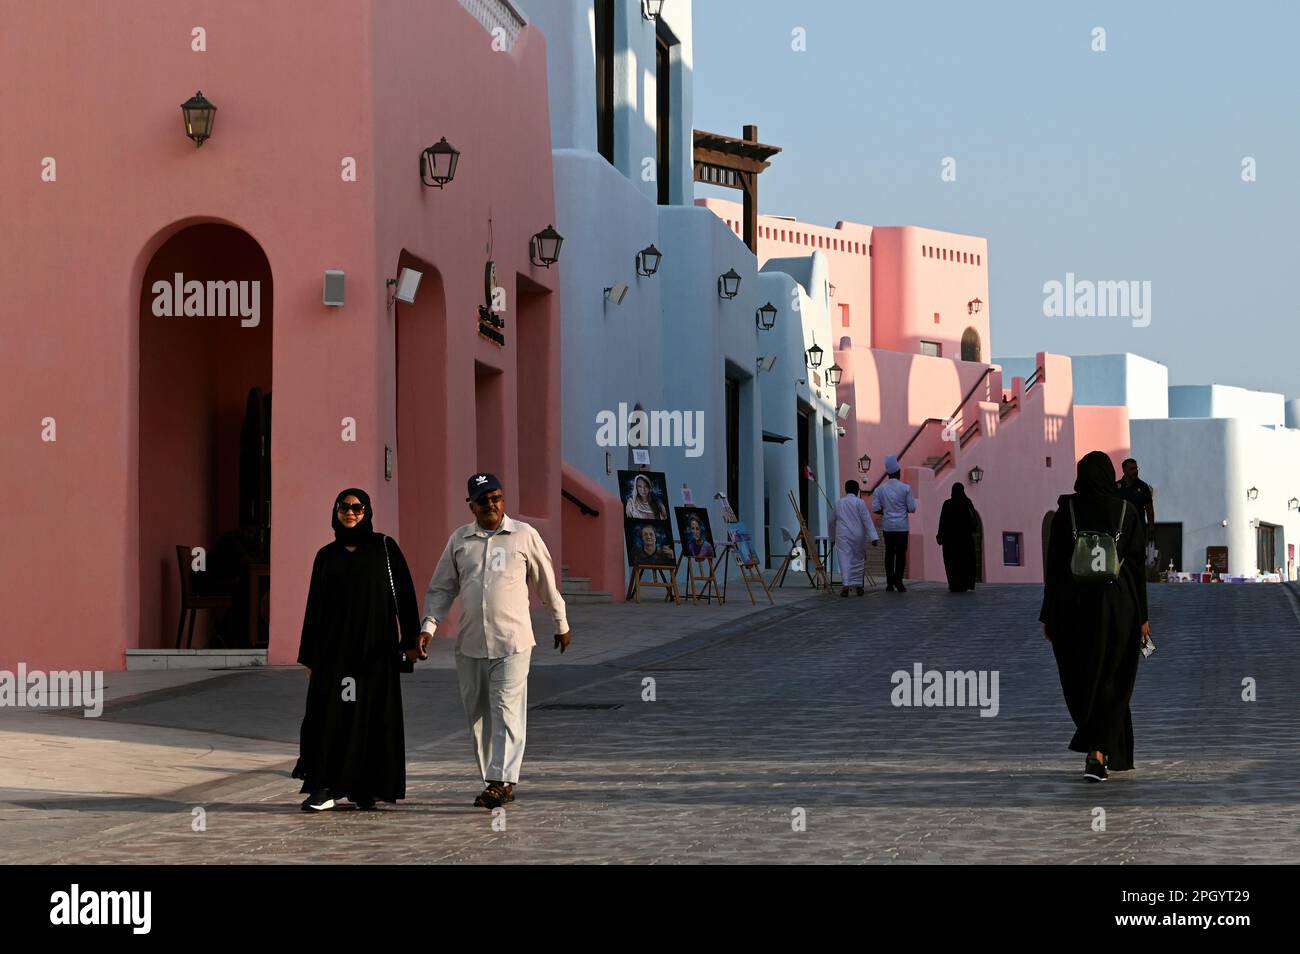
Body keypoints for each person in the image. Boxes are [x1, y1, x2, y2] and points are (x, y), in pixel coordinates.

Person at [415, 473, 571, 810]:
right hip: (470, 644)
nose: (491, 505)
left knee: (506, 710)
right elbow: (442, 588)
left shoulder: (524, 536)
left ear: (504, 499)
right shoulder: (460, 540)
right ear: (470, 504)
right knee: (478, 715)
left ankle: (503, 780)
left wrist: (560, 622)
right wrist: (428, 626)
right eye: (483, 500)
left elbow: (546, 582)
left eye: (496, 497)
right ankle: (492, 780)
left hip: (512, 641)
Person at [294, 488, 419, 811]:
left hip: (375, 652)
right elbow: (314, 608)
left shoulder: (385, 548)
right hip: (334, 654)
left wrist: (411, 642)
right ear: (335, 512)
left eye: (358, 508)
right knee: (330, 717)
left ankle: (366, 787)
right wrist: (309, 657)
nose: (350, 513)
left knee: (372, 716)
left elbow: (404, 596)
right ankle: (326, 787)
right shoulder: (326, 555)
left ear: (368, 512)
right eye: (344, 507)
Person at [1040, 451, 1151, 782]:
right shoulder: (1126, 512)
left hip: (1074, 610)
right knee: (1114, 679)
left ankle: (1096, 749)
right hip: (1118, 608)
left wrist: (1049, 615)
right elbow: (1135, 570)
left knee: (1081, 679)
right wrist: (1142, 617)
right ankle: (1099, 751)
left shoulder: (1066, 513)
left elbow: (1055, 569)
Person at [871, 455, 917, 593]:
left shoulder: (880, 490)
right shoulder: (906, 488)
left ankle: (890, 583)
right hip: (902, 527)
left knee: (889, 555)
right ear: (898, 473)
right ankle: (899, 582)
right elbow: (912, 508)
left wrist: (886, 512)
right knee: (901, 555)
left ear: (888, 474)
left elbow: (875, 508)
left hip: (888, 527)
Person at [830, 479, 879, 597]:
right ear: (857, 491)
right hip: (858, 535)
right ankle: (858, 585)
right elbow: (866, 520)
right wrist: (873, 537)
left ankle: (846, 584)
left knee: (844, 559)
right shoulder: (860, 502)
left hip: (843, 535)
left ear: (846, 490)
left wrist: (832, 537)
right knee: (858, 559)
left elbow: (832, 522)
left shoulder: (839, 503)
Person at [936, 483, 978, 592]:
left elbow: (942, 522)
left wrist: (940, 536)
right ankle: (965, 584)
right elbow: (974, 521)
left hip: (950, 542)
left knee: (951, 562)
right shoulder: (967, 503)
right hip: (965, 540)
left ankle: (954, 584)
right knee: (965, 562)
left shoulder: (947, 504)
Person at [1115, 458, 1155, 531]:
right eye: (1132, 469)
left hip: (1138, 529)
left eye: (1136, 468)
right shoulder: (1116, 487)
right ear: (1124, 470)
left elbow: (1149, 509)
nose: (1135, 471)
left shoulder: (1143, 487)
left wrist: (1151, 528)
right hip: (1121, 529)